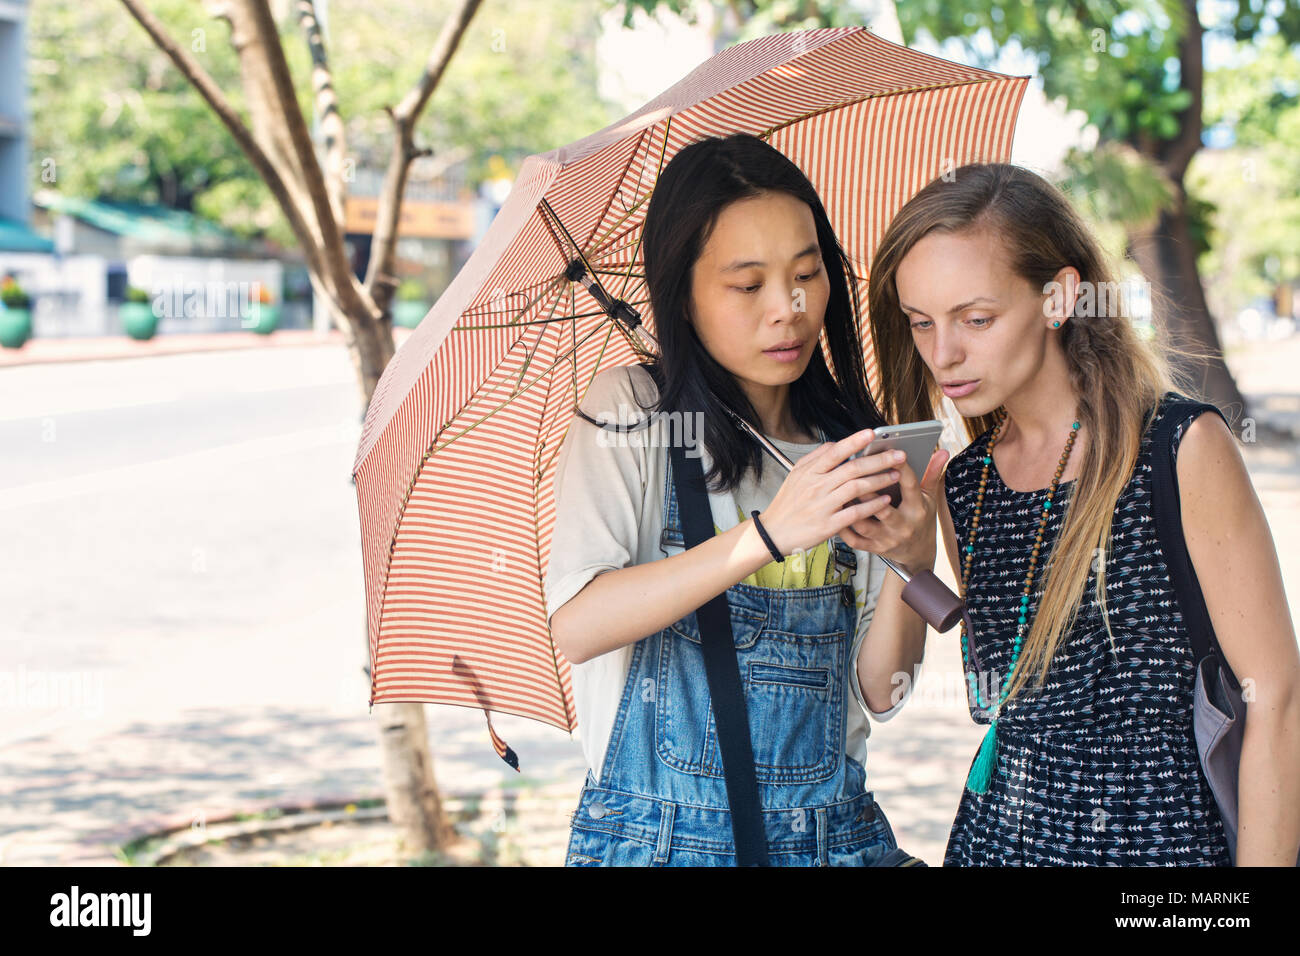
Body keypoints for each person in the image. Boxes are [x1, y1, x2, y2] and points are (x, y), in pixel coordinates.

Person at [867, 161, 1300, 866]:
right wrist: (906, 561)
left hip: (1159, 852)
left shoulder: (1179, 447)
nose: (943, 354)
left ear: (1059, 297)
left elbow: (1277, 699)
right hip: (999, 842)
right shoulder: (966, 482)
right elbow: (990, 689)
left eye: (976, 318)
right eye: (921, 322)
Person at [544, 133, 947, 866]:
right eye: (746, 284)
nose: (787, 309)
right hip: (659, 845)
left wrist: (912, 564)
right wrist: (768, 534)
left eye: (806, 273)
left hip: (834, 838)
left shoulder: (851, 444)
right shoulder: (631, 411)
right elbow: (577, 625)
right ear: (683, 296)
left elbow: (881, 694)